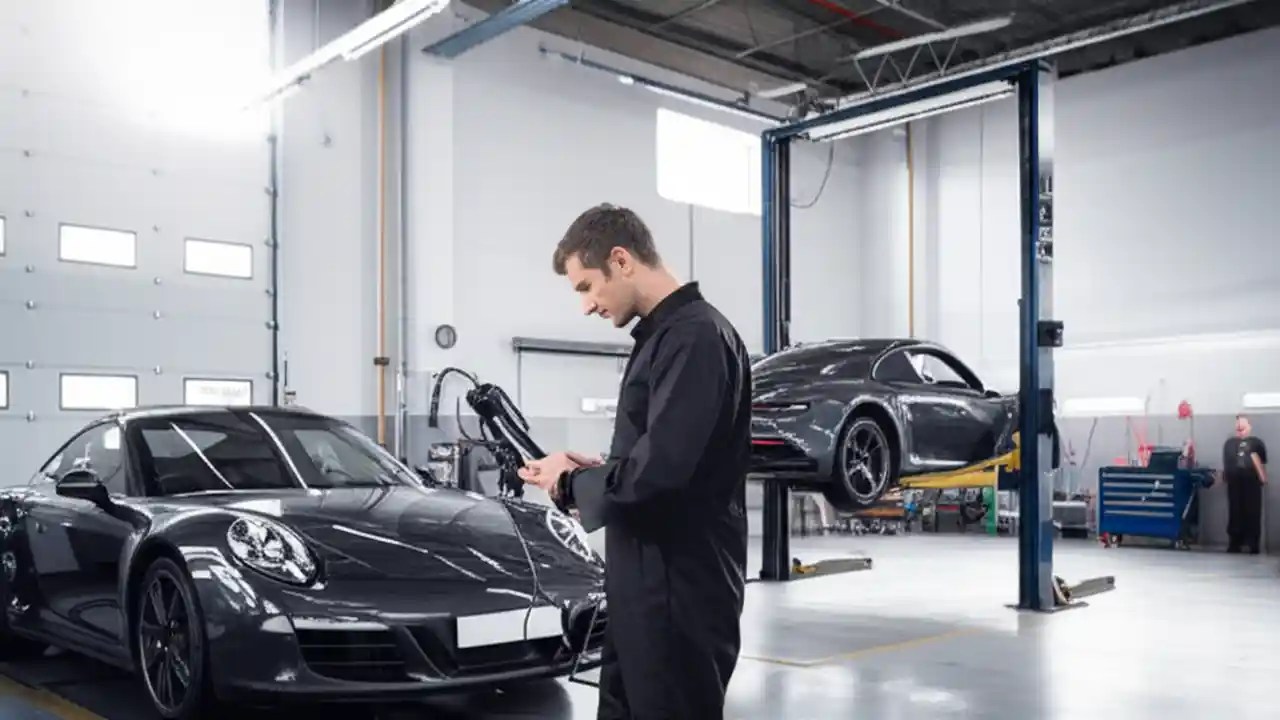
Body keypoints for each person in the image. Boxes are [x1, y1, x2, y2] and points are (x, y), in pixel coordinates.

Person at [517, 203, 752, 720]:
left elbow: (661, 476)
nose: (586, 306)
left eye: (586, 287)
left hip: (678, 595)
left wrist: (573, 482)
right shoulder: (667, 337)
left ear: (621, 261)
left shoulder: (694, 338)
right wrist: (596, 468)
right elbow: (666, 457)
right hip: (644, 589)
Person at [1220, 413, 1268, 554]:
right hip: (1234, 483)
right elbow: (1227, 462)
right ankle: (1235, 542)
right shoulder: (1229, 444)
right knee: (1235, 511)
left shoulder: (1256, 443)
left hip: (1251, 483)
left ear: (1249, 426)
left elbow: (1260, 462)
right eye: (1238, 424)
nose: (1240, 427)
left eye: (1243, 424)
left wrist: (1262, 477)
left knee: (1252, 512)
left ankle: (1253, 543)